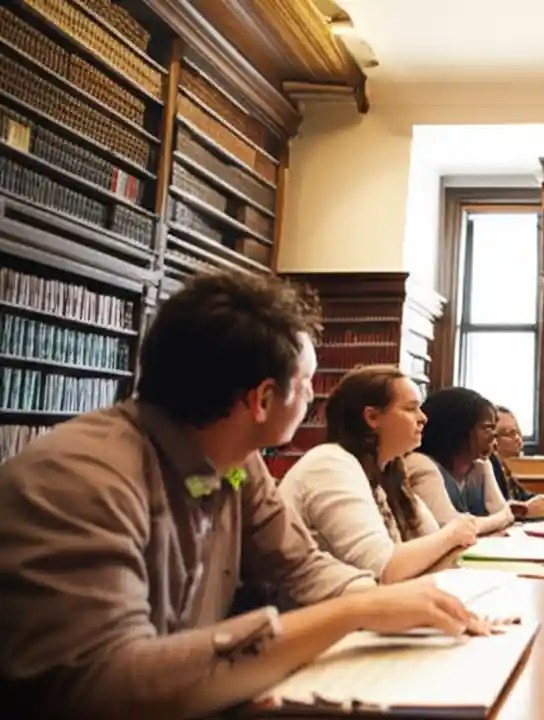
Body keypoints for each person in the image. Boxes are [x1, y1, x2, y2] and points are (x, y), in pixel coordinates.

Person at [0, 271, 492, 720]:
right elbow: (107, 684)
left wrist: (406, 605)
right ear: (261, 400)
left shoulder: (238, 466)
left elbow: (301, 565)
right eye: (305, 384)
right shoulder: (82, 480)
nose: (313, 398)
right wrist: (359, 611)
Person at [279, 366, 478, 583]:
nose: (423, 418)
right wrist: (452, 534)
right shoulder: (330, 464)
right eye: (411, 409)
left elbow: (429, 538)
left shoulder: (387, 471)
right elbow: (383, 568)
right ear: (372, 417)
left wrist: (450, 534)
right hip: (312, 611)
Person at [408, 387, 515, 535]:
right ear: (458, 430)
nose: (494, 436)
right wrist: (499, 519)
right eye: (487, 428)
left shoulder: (481, 466)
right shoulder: (420, 464)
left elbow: (503, 514)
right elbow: (448, 526)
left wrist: (500, 517)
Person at [490, 405, 544, 520]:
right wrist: (527, 510)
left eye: (517, 432)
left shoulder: (507, 469)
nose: (518, 439)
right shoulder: (487, 469)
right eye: (510, 434)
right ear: (493, 439)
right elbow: (496, 511)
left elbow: (524, 498)